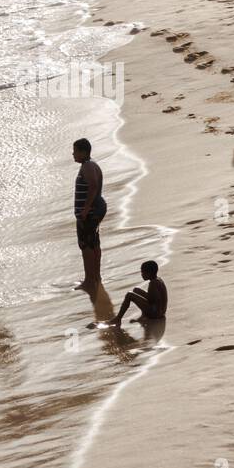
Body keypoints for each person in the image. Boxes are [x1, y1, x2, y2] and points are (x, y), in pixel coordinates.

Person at [71, 138, 107, 292]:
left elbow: (92, 186)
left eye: (75, 151)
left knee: (86, 245)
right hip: (94, 210)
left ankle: (89, 280)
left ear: (83, 152)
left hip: (90, 212)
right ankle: (95, 277)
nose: (73, 154)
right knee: (94, 243)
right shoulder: (91, 165)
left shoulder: (88, 166)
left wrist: (85, 210)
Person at [110, 260, 168, 328]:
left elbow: (151, 301)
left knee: (129, 295)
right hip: (161, 312)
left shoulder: (153, 284)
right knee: (136, 290)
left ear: (149, 273)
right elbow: (154, 299)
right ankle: (143, 316)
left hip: (156, 314)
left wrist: (139, 300)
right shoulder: (158, 280)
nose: (141, 274)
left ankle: (118, 318)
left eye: (142, 272)